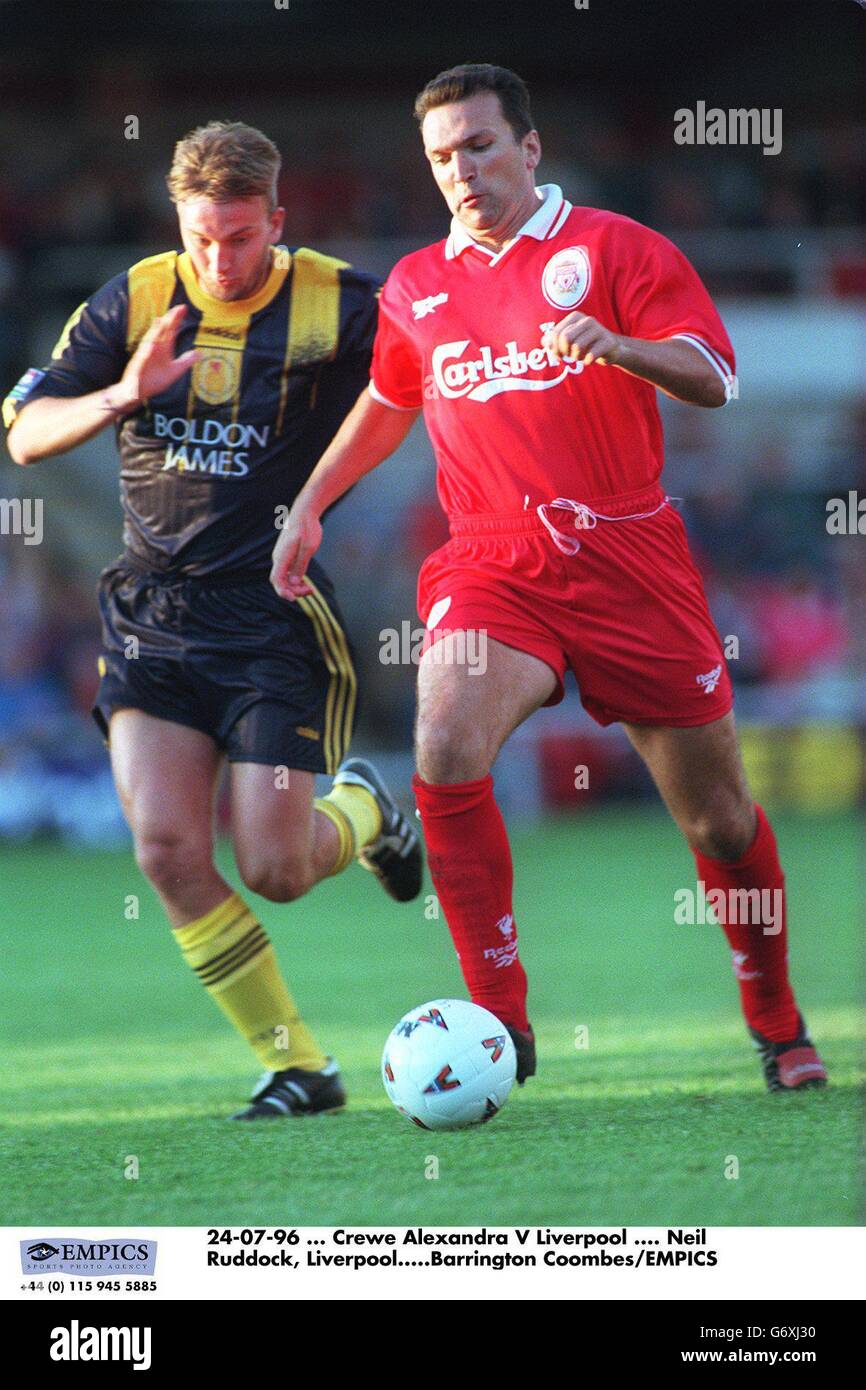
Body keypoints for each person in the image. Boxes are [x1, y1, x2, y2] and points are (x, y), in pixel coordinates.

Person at [271, 66, 827, 1093]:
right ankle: (499, 1018)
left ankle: (777, 1019)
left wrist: (616, 346)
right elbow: (392, 400)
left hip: (628, 560)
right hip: (492, 560)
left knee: (717, 820)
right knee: (443, 741)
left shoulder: (614, 249)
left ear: (528, 149)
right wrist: (309, 503)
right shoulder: (413, 284)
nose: (460, 170)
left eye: (478, 146)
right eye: (441, 156)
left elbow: (715, 376)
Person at [4, 121, 422, 1120]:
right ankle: (300, 1067)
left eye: (239, 237)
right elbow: (22, 434)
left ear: (276, 222)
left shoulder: (336, 300)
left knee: (275, 867)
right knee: (166, 850)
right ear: (178, 222)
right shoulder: (137, 297)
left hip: (271, 620)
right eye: (201, 236)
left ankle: (365, 807)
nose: (218, 260)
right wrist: (119, 394)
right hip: (150, 615)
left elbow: (422, 377)